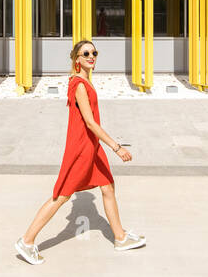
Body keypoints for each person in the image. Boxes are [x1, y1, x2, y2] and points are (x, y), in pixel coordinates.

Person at [15, 39, 145, 265]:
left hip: (92, 147)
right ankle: (27, 241)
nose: (91, 56)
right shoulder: (80, 85)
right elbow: (91, 123)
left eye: (94, 52)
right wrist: (116, 147)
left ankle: (120, 237)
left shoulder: (84, 81)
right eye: (86, 53)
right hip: (83, 149)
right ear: (77, 59)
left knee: (107, 187)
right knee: (62, 195)